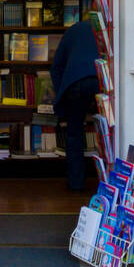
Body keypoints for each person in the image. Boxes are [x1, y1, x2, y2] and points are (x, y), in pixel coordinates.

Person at [50, 18, 100, 191]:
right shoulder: (104, 29)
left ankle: (76, 183)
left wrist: (61, 93)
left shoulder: (72, 31)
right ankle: (112, 182)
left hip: (75, 84)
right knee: (109, 129)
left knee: (74, 132)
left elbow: (56, 68)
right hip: (102, 79)